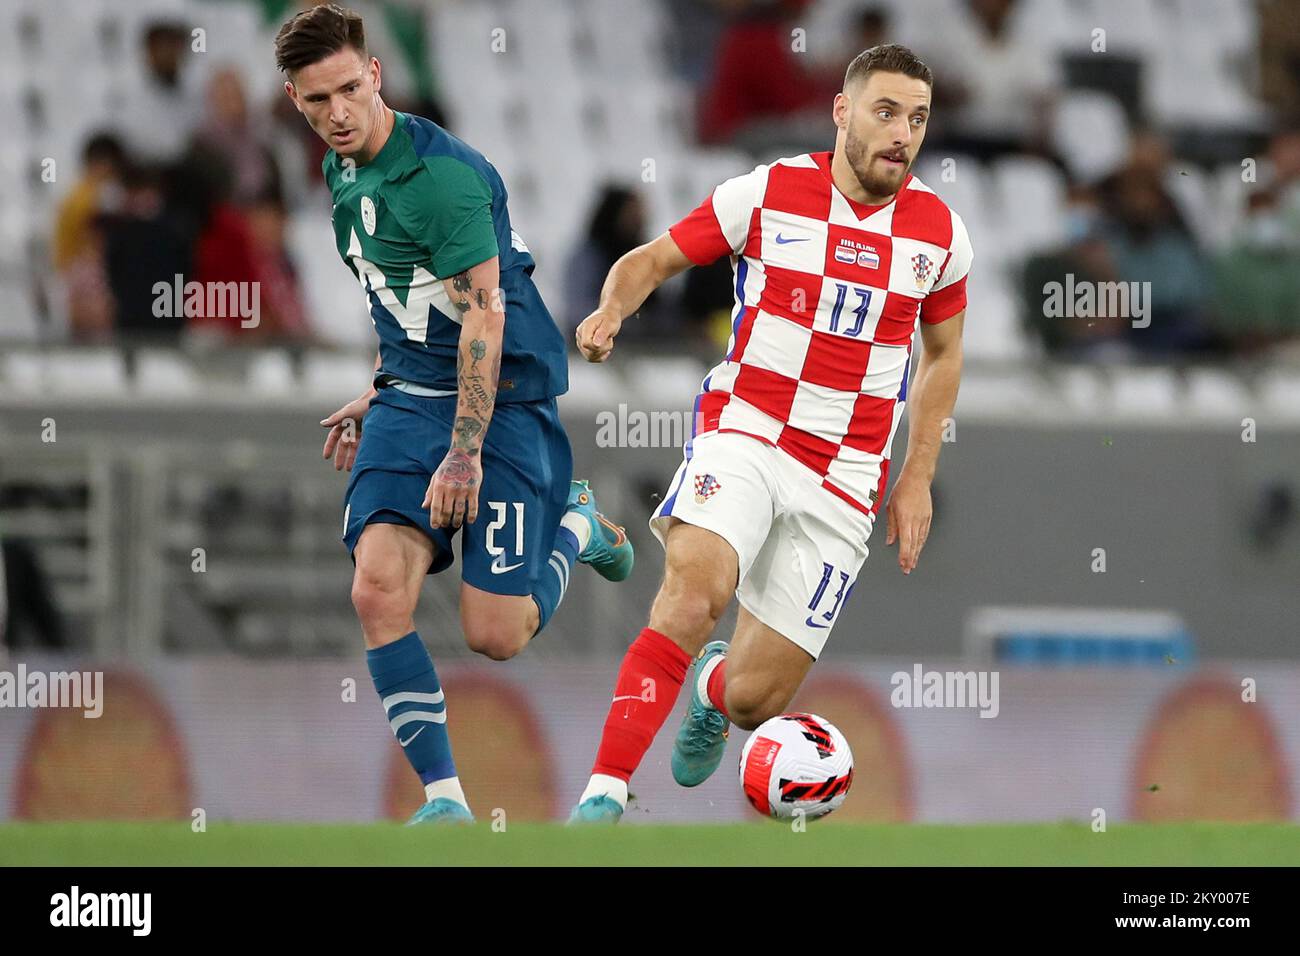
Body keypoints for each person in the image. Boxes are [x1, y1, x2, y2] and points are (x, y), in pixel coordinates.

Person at [569, 43, 972, 822]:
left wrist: (915, 474)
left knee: (757, 700)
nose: (902, 134)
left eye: (918, 119)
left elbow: (945, 357)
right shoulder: (770, 190)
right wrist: (611, 308)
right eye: (886, 112)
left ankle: (714, 689)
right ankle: (604, 792)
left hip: (848, 474)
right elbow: (651, 260)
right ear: (842, 111)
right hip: (748, 431)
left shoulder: (941, 235)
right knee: (694, 594)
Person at [273, 4, 634, 824]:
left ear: (376, 75)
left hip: (498, 400)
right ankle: (445, 803)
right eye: (314, 99)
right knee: (375, 591)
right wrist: (382, 388)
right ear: (293, 99)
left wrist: (464, 452)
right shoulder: (339, 172)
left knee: (495, 636)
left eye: (346, 90)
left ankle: (574, 526)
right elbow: (395, 298)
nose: (335, 114)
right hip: (409, 396)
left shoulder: (441, 178)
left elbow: (484, 317)